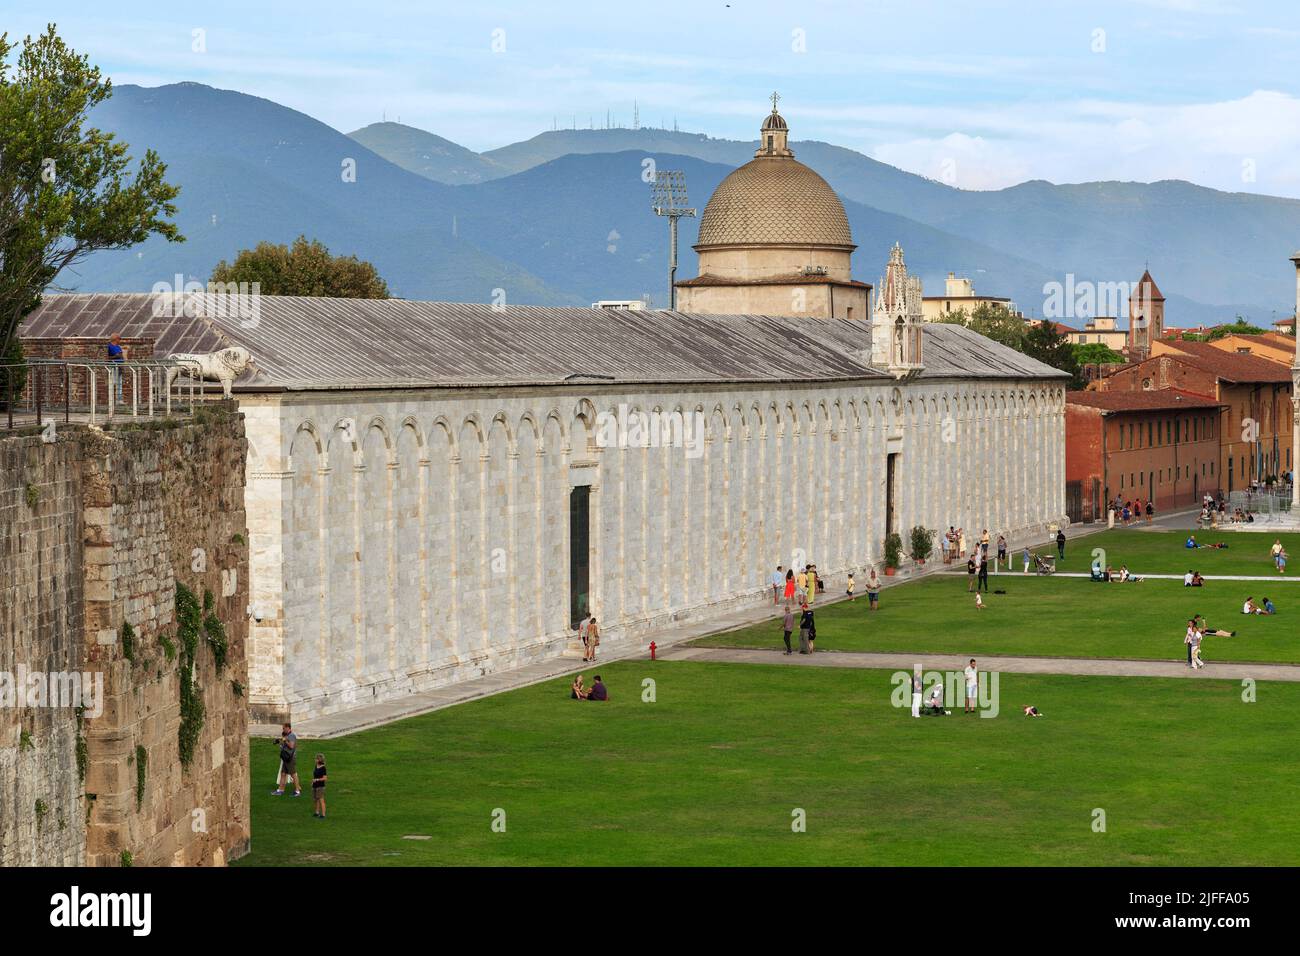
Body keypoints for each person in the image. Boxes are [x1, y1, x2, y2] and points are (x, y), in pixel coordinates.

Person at [273, 722, 301, 797]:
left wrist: (285, 740)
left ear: (288, 728)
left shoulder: (291, 736)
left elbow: (291, 746)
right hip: (286, 758)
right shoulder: (287, 736)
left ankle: (297, 791)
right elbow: (285, 745)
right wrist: (279, 742)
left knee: (293, 774)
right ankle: (280, 790)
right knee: (283, 774)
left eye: (284, 728)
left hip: (290, 758)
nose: (283, 729)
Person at [106, 334, 127, 403]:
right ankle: (111, 399)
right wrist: (115, 356)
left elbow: (121, 355)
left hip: (120, 366)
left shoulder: (118, 346)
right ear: (116, 339)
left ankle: (119, 400)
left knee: (119, 383)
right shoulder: (109, 346)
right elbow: (107, 358)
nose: (120, 340)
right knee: (113, 382)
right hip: (114, 367)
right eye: (119, 339)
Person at [311, 753, 328, 819]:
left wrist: (317, 779)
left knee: (321, 800)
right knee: (316, 799)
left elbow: (325, 778)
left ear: (319, 760)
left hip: (320, 786)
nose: (315, 760)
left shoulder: (323, 768)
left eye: (316, 759)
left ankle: (323, 814)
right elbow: (315, 775)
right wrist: (313, 781)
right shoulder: (316, 766)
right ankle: (317, 812)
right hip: (315, 785)